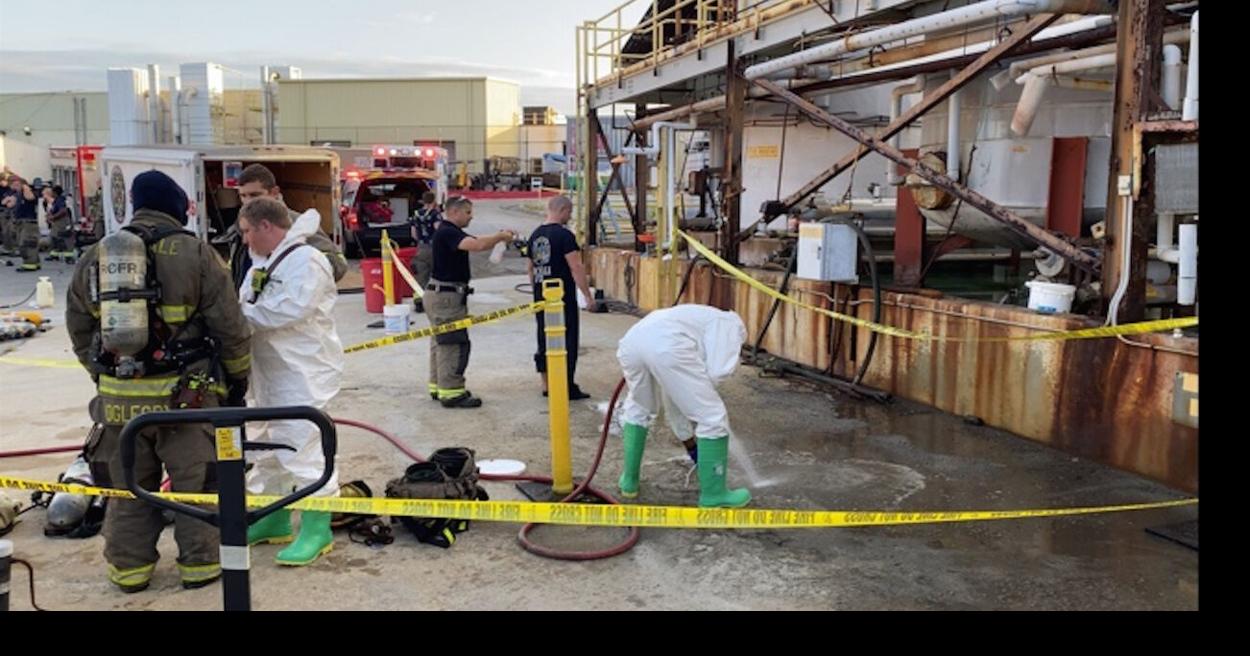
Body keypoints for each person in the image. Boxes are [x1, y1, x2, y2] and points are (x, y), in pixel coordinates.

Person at [65, 170, 252, 592]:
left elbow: (78, 328)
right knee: (198, 488)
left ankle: (129, 573)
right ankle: (200, 569)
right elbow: (231, 328)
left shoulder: (96, 256)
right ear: (178, 207)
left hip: (117, 406)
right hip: (188, 401)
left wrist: (104, 377)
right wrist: (236, 382)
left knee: (127, 490)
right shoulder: (197, 254)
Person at [237, 197, 344, 567]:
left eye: (248, 231)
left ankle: (317, 529)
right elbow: (250, 305)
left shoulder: (307, 261)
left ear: (266, 226)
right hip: (267, 375)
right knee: (266, 448)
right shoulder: (261, 264)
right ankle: (273, 517)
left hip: (300, 375)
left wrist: (238, 316)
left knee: (303, 449)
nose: (246, 240)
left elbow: (287, 309)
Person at [615, 304, 752, 509]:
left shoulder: (696, 318)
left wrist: (689, 440)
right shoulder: (731, 325)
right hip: (666, 346)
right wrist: (698, 397)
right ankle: (714, 495)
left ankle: (629, 481)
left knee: (639, 408)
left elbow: (675, 398)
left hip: (631, 343)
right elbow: (717, 372)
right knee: (712, 417)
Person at [426, 196, 516, 408]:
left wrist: (496, 238)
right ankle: (452, 392)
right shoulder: (448, 232)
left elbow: (475, 239)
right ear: (454, 212)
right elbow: (477, 245)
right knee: (453, 342)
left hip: (442, 294)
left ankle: (439, 385)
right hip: (447, 298)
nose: (471, 216)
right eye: (468, 212)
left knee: (440, 342)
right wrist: (499, 236)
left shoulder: (449, 232)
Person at [219, 163, 347, 291]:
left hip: (284, 306)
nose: (248, 202)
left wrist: (296, 279)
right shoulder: (241, 227)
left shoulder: (298, 225)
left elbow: (338, 264)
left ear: (274, 193)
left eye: (254, 195)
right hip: (248, 306)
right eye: (243, 196)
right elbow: (237, 266)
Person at [526, 195, 598, 400]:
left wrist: (536, 291)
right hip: (562, 298)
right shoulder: (565, 236)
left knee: (544, 338)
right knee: (566, 340)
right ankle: (566, 385)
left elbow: (530, 268)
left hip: (541, 297)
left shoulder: (535, 235)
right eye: (569, 212)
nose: (570, 215)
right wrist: (587, 296)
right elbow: (575, 266)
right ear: (563, 210)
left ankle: (546, 384)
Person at [407, 191, 442, 313]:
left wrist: (421, 241)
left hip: (421, 248)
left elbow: (413, 233)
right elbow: (438, 230)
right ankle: (434, 302)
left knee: (420, 276)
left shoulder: (416, 214)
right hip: (433, 248)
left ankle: (418, 302)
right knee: (436, 275)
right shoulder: (435, 214)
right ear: (433, 200)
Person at [5, 177, 41, 271]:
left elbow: (30, 198)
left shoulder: (29, 192)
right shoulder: (18, 194)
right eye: (12, 185)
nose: (13, 187)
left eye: (16, 185)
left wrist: (25, 187)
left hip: (29, 223)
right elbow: (9, 205)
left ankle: (29, 265)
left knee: (26, 243)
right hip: (20, 222)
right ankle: (35, 262)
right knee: (24, 243)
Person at [44, 185, 74, 261]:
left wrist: (53, 217)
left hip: (62, 222)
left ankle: (69, 256)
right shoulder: (57, 200)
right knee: (54, 238)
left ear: (55, 193)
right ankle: (54, 255)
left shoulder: (60, 200)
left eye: (52, 192)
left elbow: (63, 211)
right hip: (57, 223)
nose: (51, 194)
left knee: (64, 238)